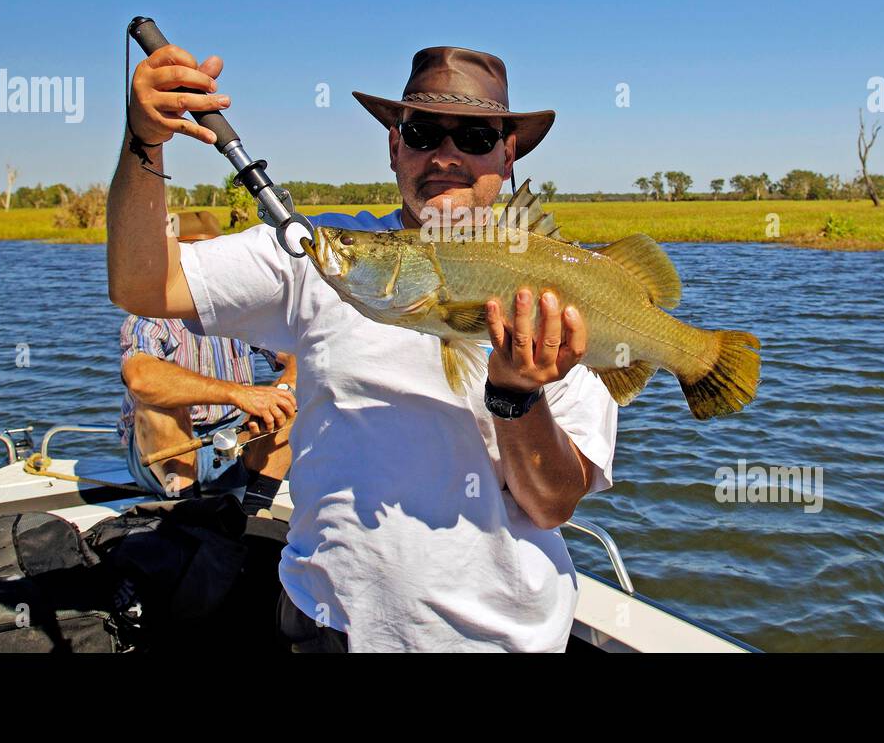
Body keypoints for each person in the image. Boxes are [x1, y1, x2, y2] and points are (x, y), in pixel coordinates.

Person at [108, 45, 617, 652]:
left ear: (507, 158)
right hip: (327, 627)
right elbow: (143, 283)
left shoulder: (561, 289)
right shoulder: (324, 257)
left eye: (476, 137)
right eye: (424, 132)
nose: (446, 156)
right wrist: (144, 141)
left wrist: (516, 395)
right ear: (395, 146)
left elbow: (554, 503)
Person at [118, 210, 298, 510]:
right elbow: (141, 377)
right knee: (159, 407)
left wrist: (282, 391)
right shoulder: (148, 315)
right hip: (163, 460)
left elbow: (296, 353)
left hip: (236, 444)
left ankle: (255, 512)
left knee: (293, 396)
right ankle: (186, 512)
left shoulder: (241, 308)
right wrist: (240, 394)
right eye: (192, 260)